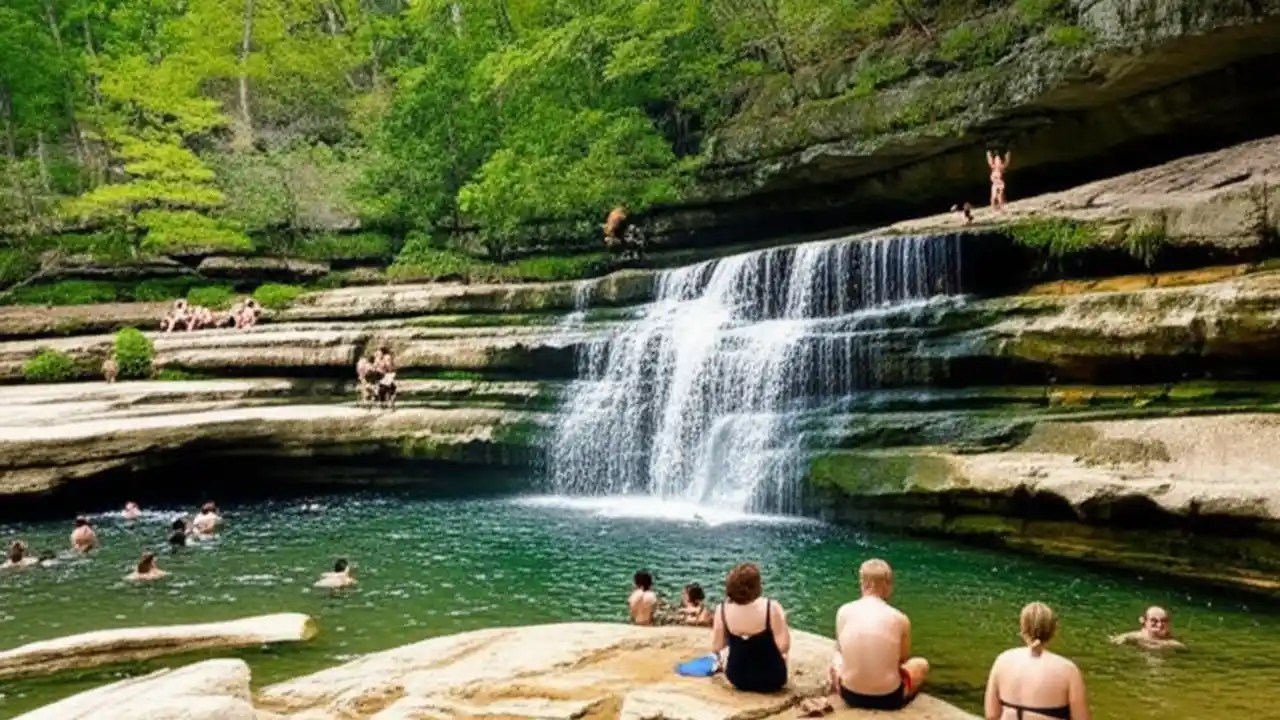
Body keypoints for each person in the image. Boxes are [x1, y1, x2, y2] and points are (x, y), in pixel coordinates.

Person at [832, 559, 928, 711]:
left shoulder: (843, 611)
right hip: (888, 698)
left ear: (863, 583)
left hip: (849, 694)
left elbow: (841, 651)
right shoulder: (899, 618)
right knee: (921, 664)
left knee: (836, 657)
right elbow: (903, 659)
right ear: (887, 585)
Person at [984, 602, 1091, 720]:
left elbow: (992, 715)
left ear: (1023, 629)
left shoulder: (1002, 661)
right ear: (1053, 631)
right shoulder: (1068, 670)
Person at [712, 562, 791, 693]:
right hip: (773, 679)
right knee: (783, 655)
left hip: (738, 678)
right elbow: (784, 646)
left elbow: (717, 646)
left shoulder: (721, 609)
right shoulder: (771, 607)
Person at [1110, 606, 1185, 650]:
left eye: (1163, 621)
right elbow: (1115, 643)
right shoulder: (1133, 637)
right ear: (1144, 621)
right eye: (1154, 621)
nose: (1159, 624)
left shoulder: (1175, 644)